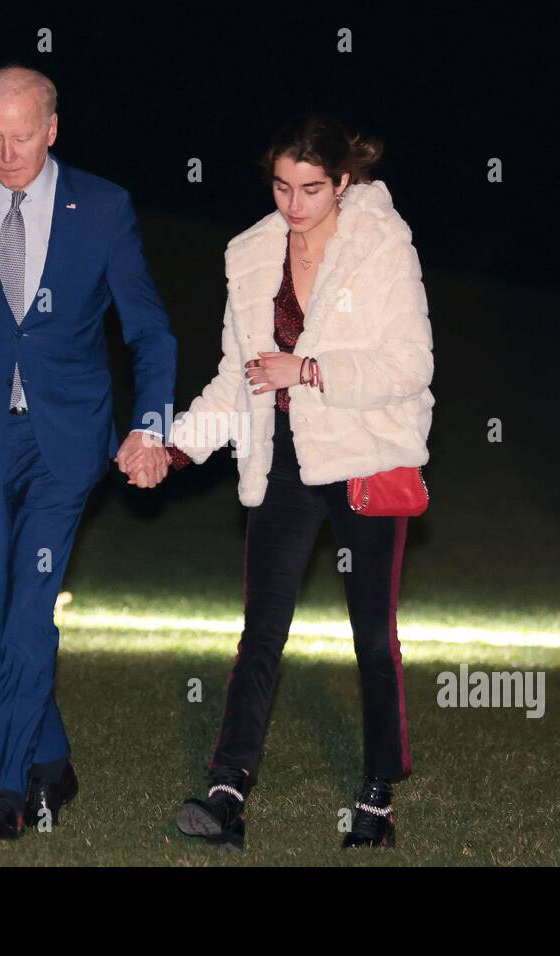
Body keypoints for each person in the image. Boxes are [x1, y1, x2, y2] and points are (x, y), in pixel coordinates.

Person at [120, 116, 434, 850]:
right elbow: (238, 378)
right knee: (262, 628)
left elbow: (412, 365)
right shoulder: (253, 254)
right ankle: (228, 791)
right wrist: (174, 452)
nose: (294, 204)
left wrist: (312, 370)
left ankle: (379, 796)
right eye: (283, 186)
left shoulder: (383, 247)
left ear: (343, 182)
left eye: (312, 189)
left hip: (363, 459)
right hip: (282, 460)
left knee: (371, 635)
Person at [0, 65, 177, 839]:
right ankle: (55, 760)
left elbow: (150, 329)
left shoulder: (103, 207)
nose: (7, 152)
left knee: (27, 619)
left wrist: (151, 424)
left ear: (52, 128)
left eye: (21, 135)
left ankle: (8, 795)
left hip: (66, 444)